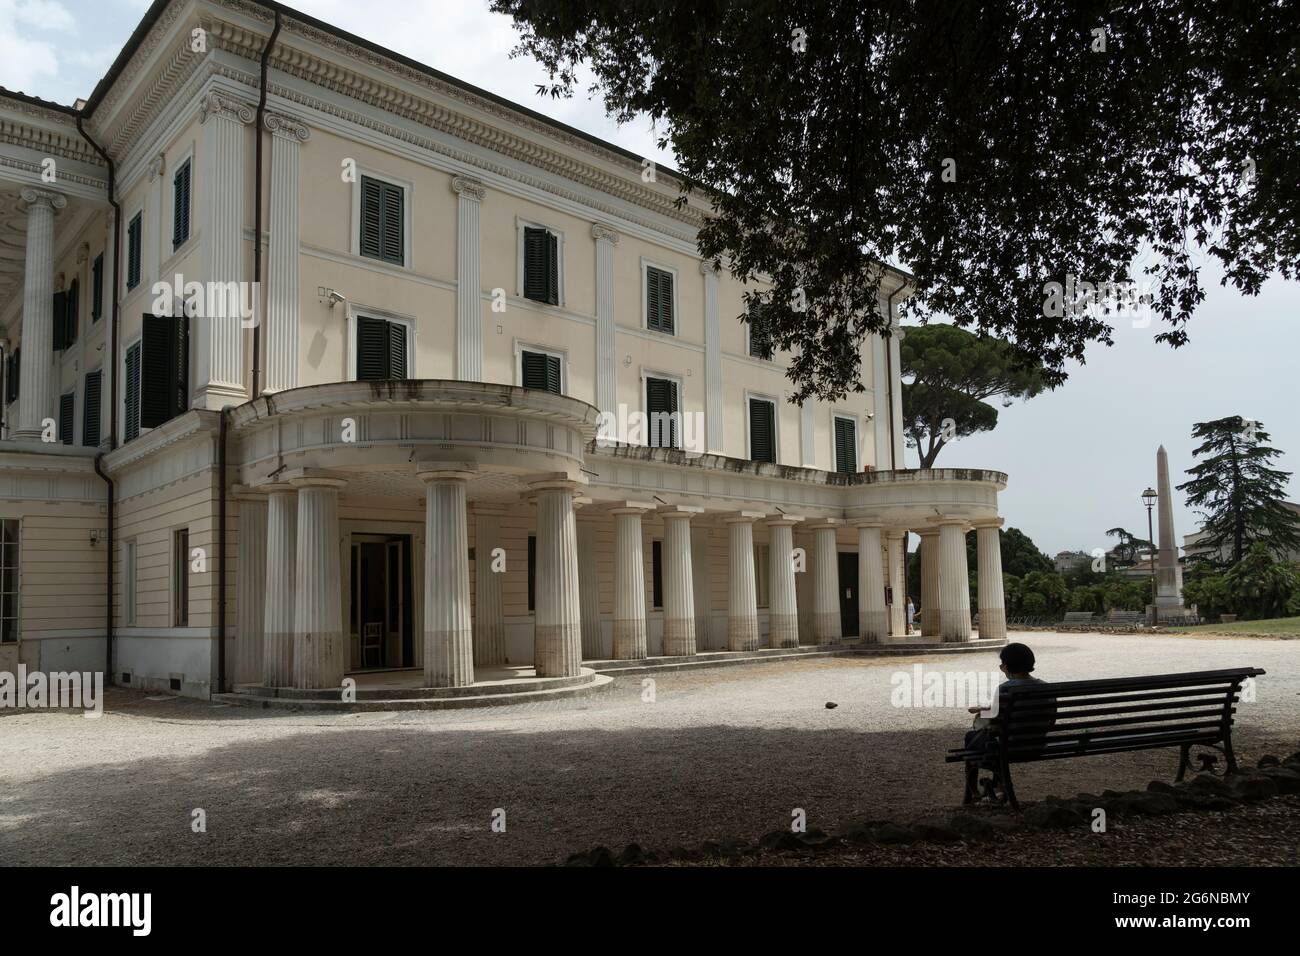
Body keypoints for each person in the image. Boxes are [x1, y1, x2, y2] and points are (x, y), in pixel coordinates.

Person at [963, 642, 1053, 801]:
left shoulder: (1006, 689)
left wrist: (980, 716)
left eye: (1002, 665)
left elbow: (995, 725)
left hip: (1011, 747)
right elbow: (1050, 720)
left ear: (1006, 666)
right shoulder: (1046, 687)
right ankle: (998, 786)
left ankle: (973, 792)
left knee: (972, 737)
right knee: (996, 739)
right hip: (1038, 743)